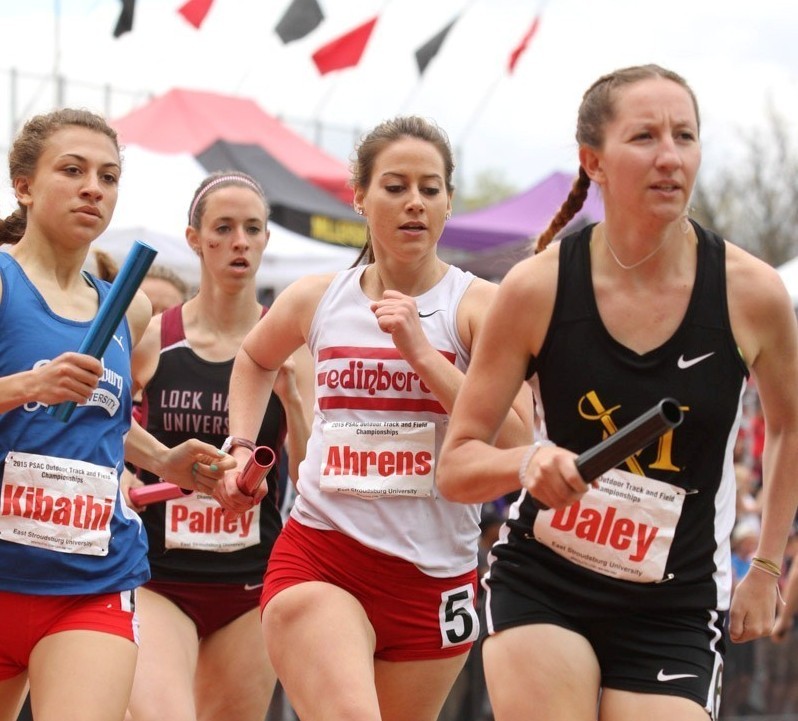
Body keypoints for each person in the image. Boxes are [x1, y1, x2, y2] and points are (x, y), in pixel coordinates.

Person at [436, 64, 798, 721]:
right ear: (593, 161)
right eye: (645, 137)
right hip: (547, 583)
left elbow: (790, 428)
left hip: (675, 603)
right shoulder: (537, 288)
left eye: (685, 136)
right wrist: (527, 462)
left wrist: (767, 569)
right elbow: (456, 464)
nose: (670, 156)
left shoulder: (753, 292)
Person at [215, 115, 532, 721]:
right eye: (395, 186)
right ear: (359, 197)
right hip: (324, 554)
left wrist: (420, 352)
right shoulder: (317, 299)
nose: (414, 202)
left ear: (447, 204)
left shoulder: (479, 308)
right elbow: (254, 358)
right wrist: (238, 444)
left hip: (435, 577)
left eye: (430, 188)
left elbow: (515, 445)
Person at [0, 109, 233, 721]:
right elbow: (40, 396)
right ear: (23, 186)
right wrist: (29, 384)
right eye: (72, 170)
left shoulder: (125, 312)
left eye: (108, 176)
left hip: (90, 580)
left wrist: (163, 458)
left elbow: (103, 418)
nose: (92, 188)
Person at [123, 170, 313, 721]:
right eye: (223, 228)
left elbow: (306, 473)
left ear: (265, 240)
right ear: (194, 239)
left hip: (252, 582)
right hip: (160, 576)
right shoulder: (156, 337)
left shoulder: (291, 348)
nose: (239, 242)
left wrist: (295, 402)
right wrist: (135, 469)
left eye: (252, 229)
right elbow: (106, 424)